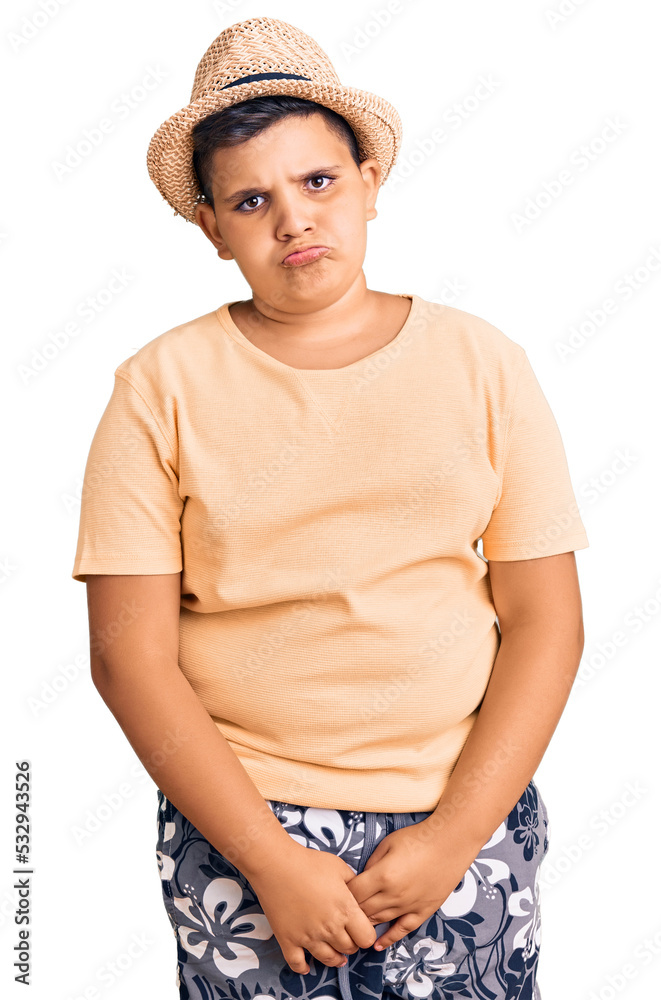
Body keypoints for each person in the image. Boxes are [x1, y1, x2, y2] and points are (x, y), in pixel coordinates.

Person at [71, 16, 589, 1000]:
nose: (293, 220)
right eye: (251, 199)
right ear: (210, 227)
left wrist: (453, 836)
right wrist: (267, 859)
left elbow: (545, 621)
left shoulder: (483, 366)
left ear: (368, 182)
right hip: (242, 826)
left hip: (461, 812)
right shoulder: (158, 388)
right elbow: (125, 654)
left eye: (317, 182)